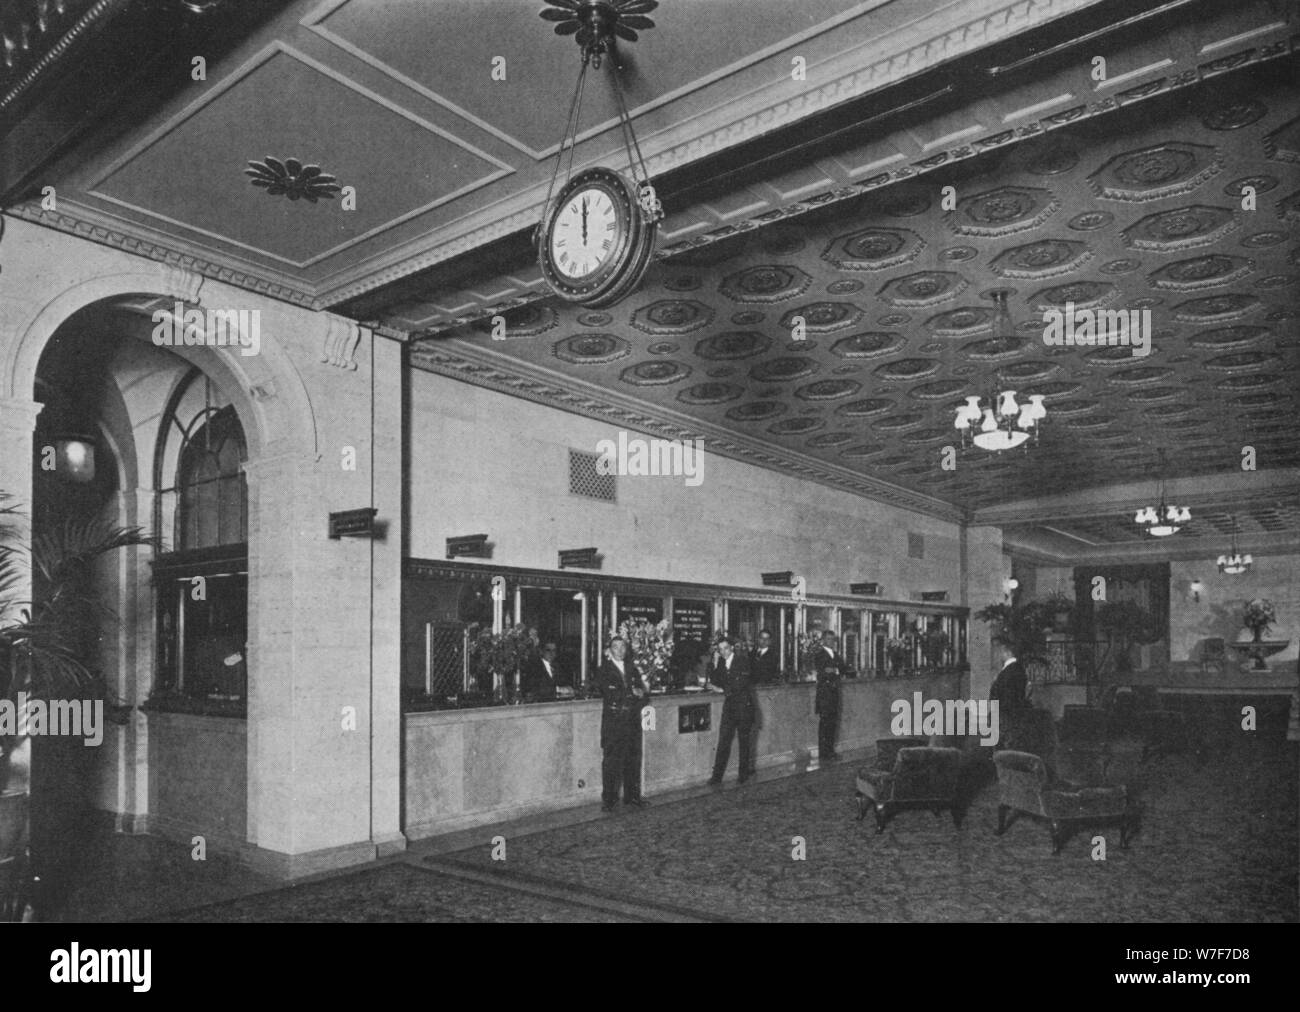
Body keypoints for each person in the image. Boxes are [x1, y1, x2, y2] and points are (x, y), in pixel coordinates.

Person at [598, 636, 649, 812]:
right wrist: (632, 693)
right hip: (614, 721)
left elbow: (644, 694)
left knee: (633, 759)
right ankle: (610, 799)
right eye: (615, 647)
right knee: (612, 761)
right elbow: (610, 692)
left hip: (632, 721)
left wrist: (640, 693)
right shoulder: (604, 669)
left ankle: (632, 796)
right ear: (609, 650)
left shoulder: (632, 669)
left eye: (622, 647)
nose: (619, 650)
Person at [707, 635, 758, 785]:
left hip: (743, 707)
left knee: (744, 742)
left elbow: (741, 683)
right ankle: (717, 777)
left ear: (731, 648)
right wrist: (715, 663)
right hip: (730, 708)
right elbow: (715, 680)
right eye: (720, 650)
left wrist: (722, 689)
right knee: (723, 741)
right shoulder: (721, 663)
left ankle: (743, 775)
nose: (723, 652)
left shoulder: (742, 661)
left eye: (725, 648)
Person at [813, 630, 844, 761]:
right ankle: (824, 752)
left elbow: (843, 668)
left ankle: (830, 751)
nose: (831, 641)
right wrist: (834, 670)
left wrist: (834, 670)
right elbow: (824, 672)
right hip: (825, 695)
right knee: (825, 724)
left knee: (832, 724)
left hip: (833, 694)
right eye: (829, 639)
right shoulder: (820, 654)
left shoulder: (835, 655)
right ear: (824, 640)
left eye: (833, 639)